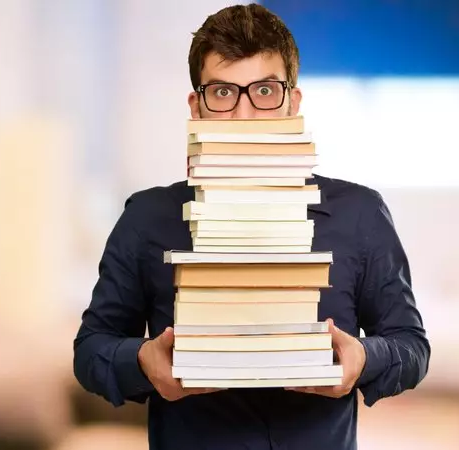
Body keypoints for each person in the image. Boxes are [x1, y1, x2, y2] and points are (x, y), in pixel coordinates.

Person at [72, 3, 431, 450]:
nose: (244, 116)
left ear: (292, 102)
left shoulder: (359, 213)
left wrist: (365, 358)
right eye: (223, 93)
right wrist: (143, 360)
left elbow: (411, 347)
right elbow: (90, 351)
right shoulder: (146, 217)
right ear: (197, 106)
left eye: (264, 90)